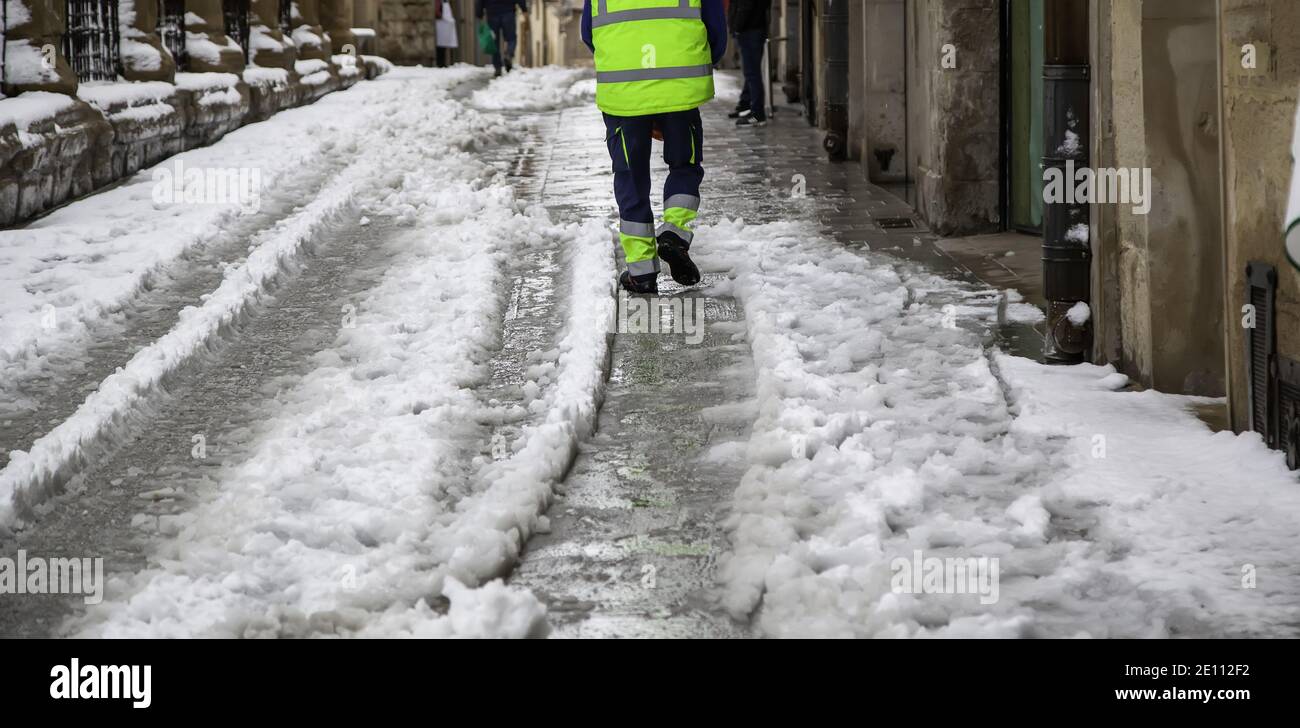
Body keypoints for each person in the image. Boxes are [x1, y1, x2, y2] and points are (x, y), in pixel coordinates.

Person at [582, 0, 728, 295]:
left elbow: (589, 32)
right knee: (684, 164)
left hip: (623, 90)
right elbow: (716, 31)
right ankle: (674, 232)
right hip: (680, 84)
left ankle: (642, 272)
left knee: (629, 176)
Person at [728, 0, 772, 127]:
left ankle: (758, 114)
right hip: (753, 28)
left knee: (752, 73)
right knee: (751, 72)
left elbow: (745, 5)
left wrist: (737, 27)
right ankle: (746, 105)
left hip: (749, 29)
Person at [476, 0, 528, 76]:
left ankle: (497, 68)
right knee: (511, 38)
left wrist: (479, 14)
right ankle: (509, 55)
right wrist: (524, 9)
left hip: (492, 14)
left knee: (494, 42)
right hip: (508, 13)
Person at [435, 0, 459, 67]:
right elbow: (437, 11)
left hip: (445, 24)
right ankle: (440, 63)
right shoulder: (438, 1)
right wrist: (441, 16)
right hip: (441, 23)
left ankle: (442, 62)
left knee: (444, 45)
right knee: (440, 46)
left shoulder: (445, 2)